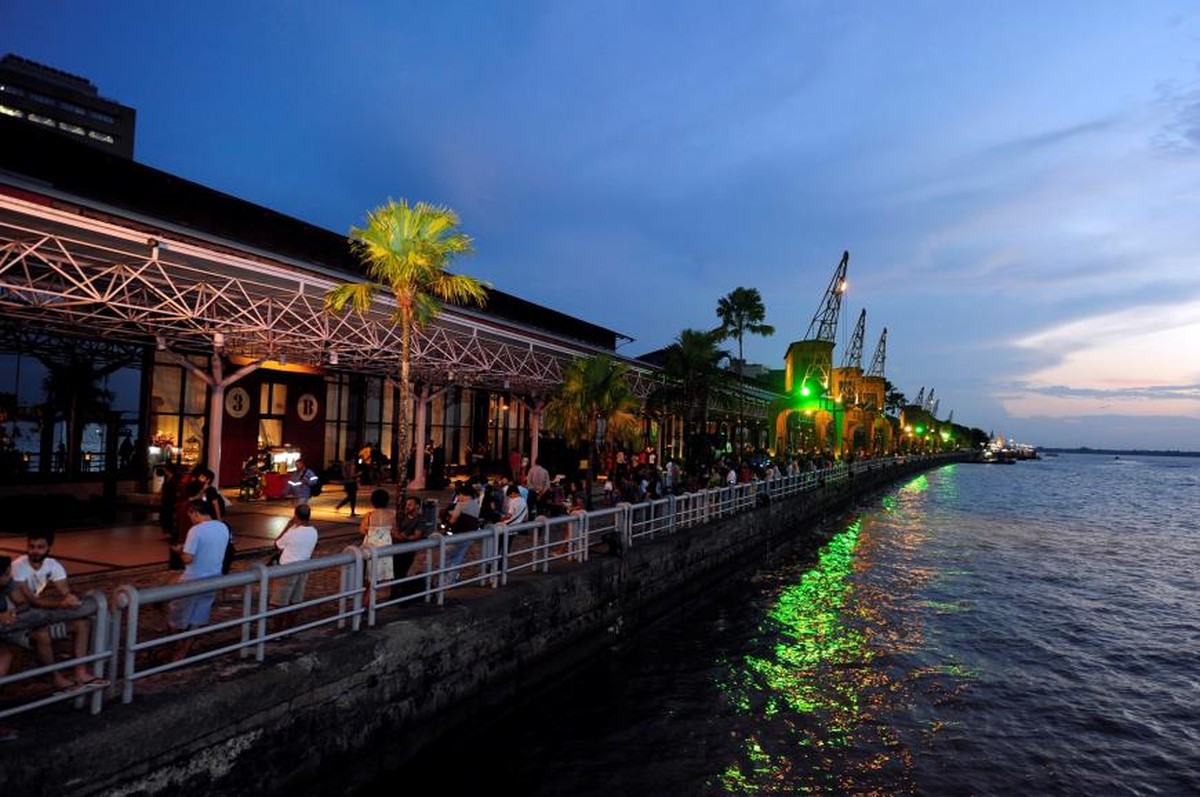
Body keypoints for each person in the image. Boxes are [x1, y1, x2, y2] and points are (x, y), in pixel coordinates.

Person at [9, 532, 109, 690]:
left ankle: (80, 671)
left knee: (83, 622)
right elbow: (31, 601)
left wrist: (71, 600)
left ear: (49, 548)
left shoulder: (52, 565)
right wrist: (62, 605)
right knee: (42, 625)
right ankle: (55, 677)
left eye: (40, 547)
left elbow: (64, 591)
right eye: (31, 547)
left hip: (40, 614)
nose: (35, 551)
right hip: (20, 616)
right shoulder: (18, 566)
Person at [167, 499, 229, 661]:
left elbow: (188, 559)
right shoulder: (223, 527)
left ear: (195, 512)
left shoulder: (196, 531)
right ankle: (184, 650)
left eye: (190, 516)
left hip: (193, 579)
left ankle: (175, 645)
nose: (191, 520)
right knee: (198, 616)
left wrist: (179, 550)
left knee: (177, 614)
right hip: (214, 577)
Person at [268, 504, 319, 631]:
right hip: (303, 568)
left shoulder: (293, 532)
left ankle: (277, 631)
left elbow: (277, 543)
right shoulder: (314, 531)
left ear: (296, 516)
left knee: (280, 603)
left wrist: (288, 526)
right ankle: (289, 630)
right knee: (295, 601)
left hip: (287, 569)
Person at [390, 496, 425, 600]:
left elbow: (417, 535)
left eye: (410, 504)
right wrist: (402, 536)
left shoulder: (420, 519)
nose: (407, 506)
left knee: (402, 572)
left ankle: (401, 595)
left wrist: (404, 536)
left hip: (408, 550)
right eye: (407, 504)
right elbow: (395, 531)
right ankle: (394, 595)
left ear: (417, 506)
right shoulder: (402, 516)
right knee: (395, 572)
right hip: (397, 548)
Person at [360, 489, 395, 591]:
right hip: (385, 547)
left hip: (371, 547)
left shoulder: (369, 515)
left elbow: (362, 530)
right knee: (376, 579)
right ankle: (368, 602)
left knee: (369, 576)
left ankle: (365, 602)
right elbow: (394, 531)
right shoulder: (392, 514)